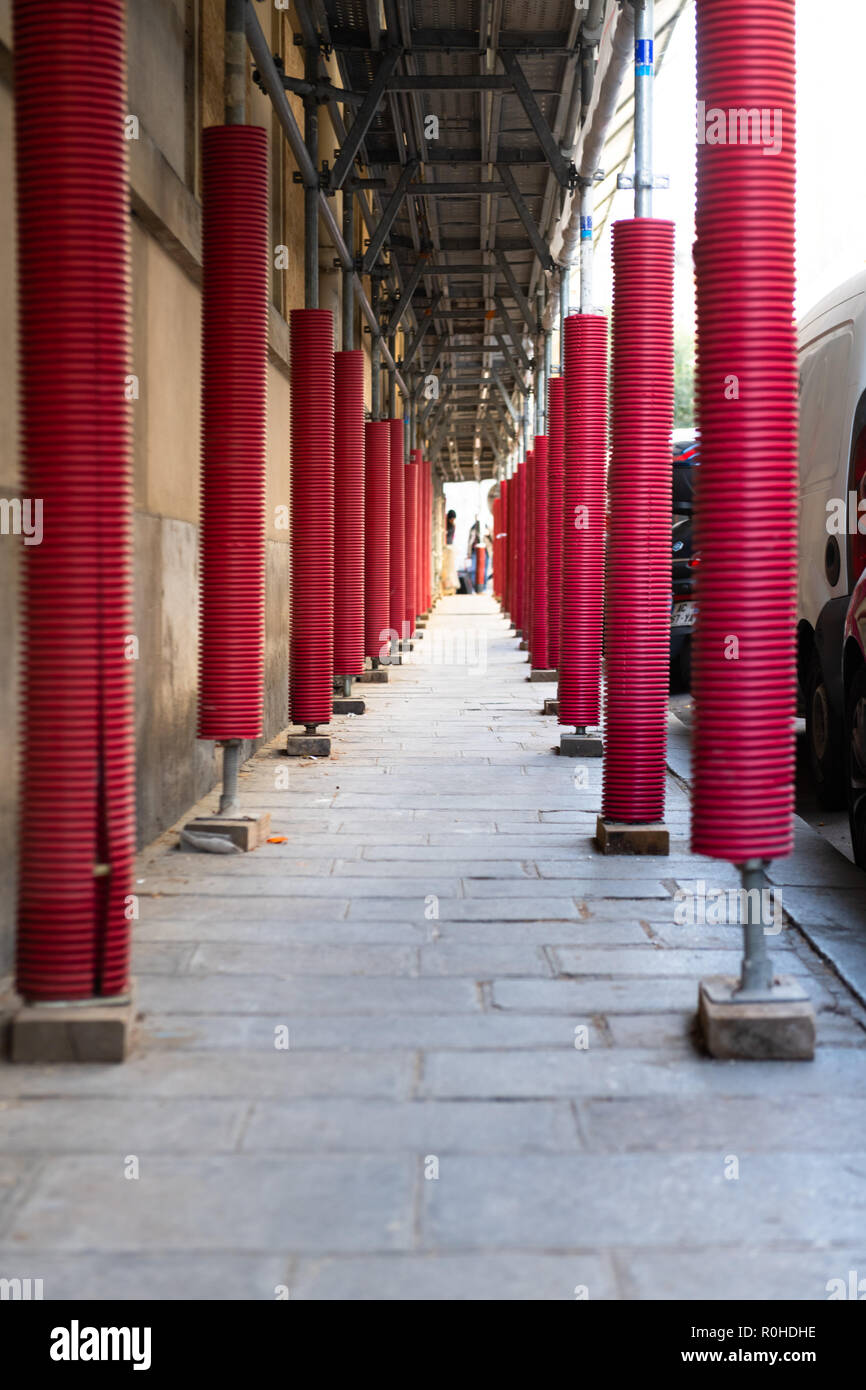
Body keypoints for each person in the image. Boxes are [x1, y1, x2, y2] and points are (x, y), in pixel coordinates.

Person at [442, 508, 458, 592]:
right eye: (452, 519)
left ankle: (450, 586)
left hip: (450, 546)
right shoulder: (445, 525)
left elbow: (452, 537)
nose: (453, 520)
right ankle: (446, 586)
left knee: (451, 568)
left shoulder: (453, 526)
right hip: (445, 546)